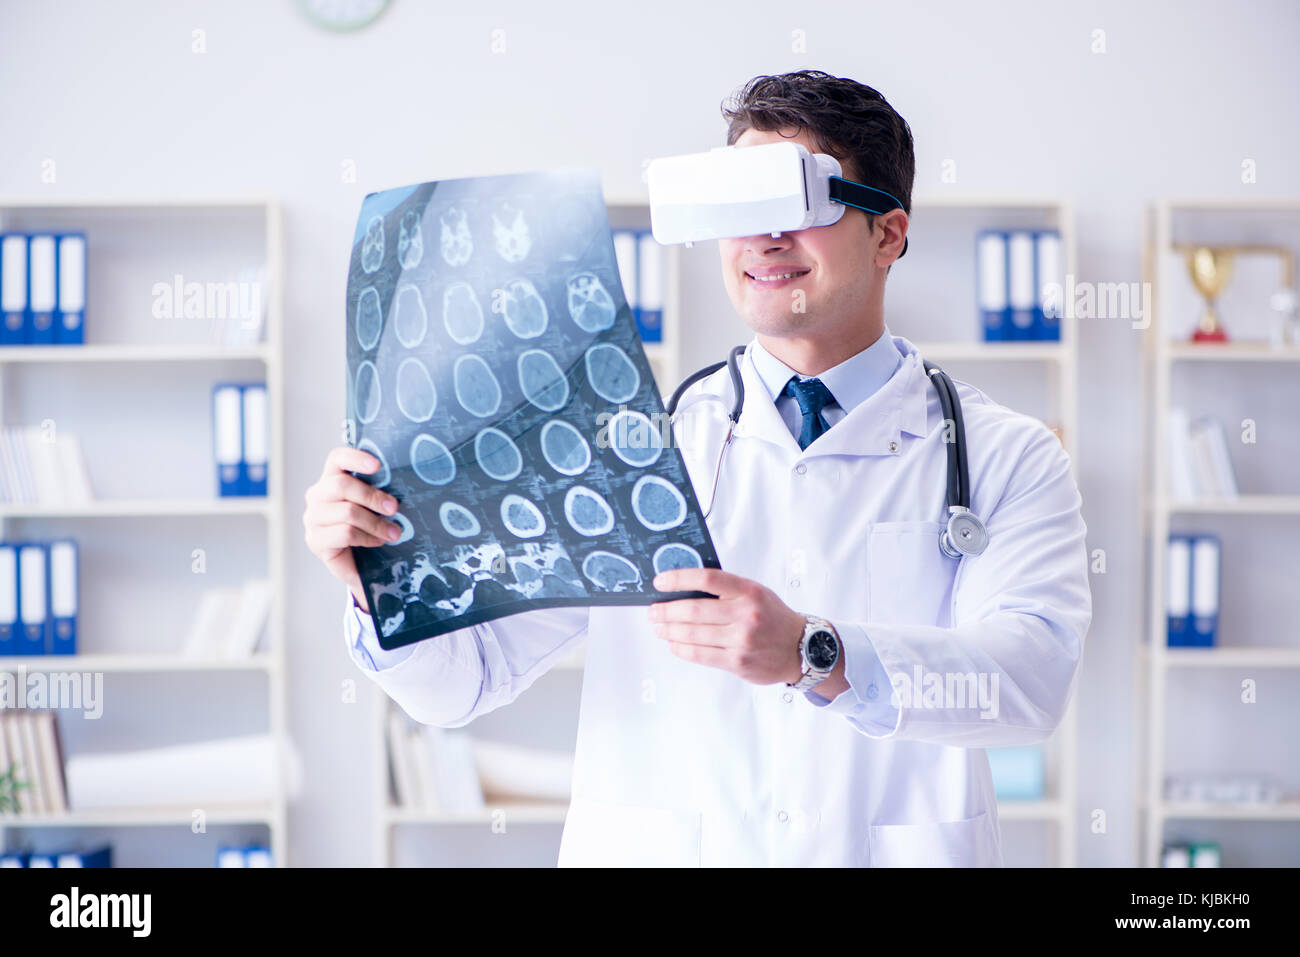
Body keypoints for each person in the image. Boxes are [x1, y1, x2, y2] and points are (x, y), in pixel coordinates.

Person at [304, 70, 1092, 866]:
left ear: (887, 234)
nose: (764, 240)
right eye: (740, 208)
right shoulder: (634, 443)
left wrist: (817, 652)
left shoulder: (1005, 454)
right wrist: (376, 575)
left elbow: (1027, 680)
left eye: (795, 204)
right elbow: (463, 682)